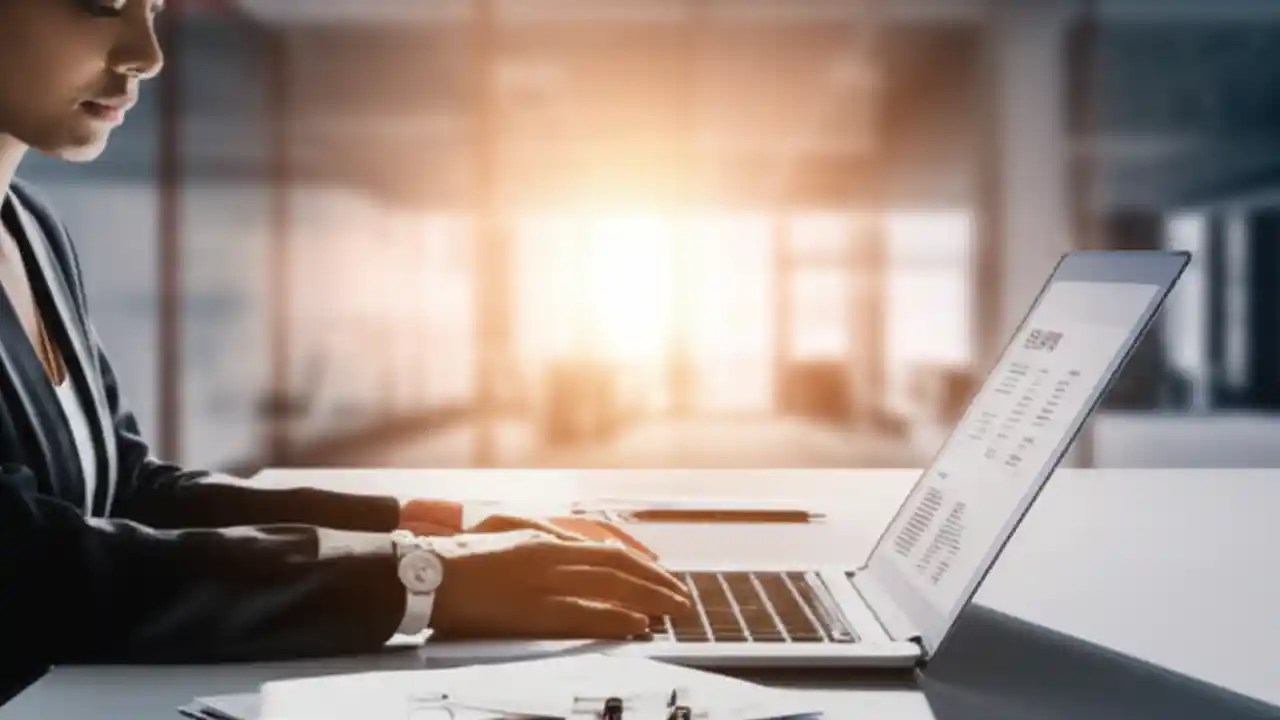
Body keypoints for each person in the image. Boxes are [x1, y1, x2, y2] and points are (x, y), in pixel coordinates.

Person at [0, 0, 692, 704]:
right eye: (103, 4)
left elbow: (130, 492)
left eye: (153, 7)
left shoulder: (32, 230)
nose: (146, 53)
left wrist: (435, 526)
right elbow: (31, 571)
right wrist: (425, 578)